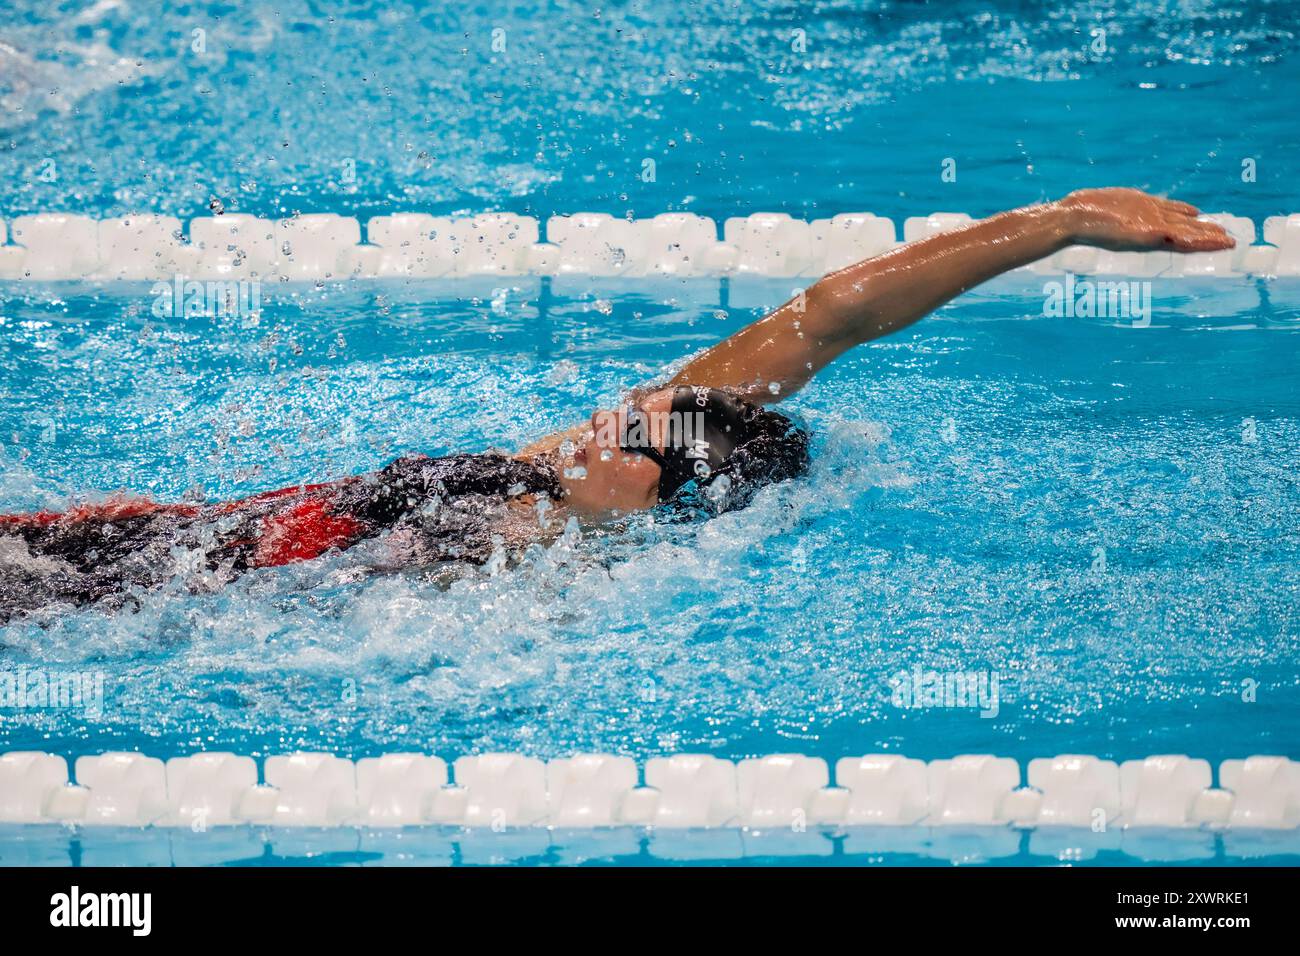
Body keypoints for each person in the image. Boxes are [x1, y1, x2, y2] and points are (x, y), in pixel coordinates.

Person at [0, 188, 1232, 618]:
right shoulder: (579, 477)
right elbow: (825, 319)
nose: (609, 421)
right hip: (150, 532)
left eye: (633, 437)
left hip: (117, 585)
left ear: (655, 494)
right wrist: (1054, 221)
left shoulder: (535, 551)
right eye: (631, 414)